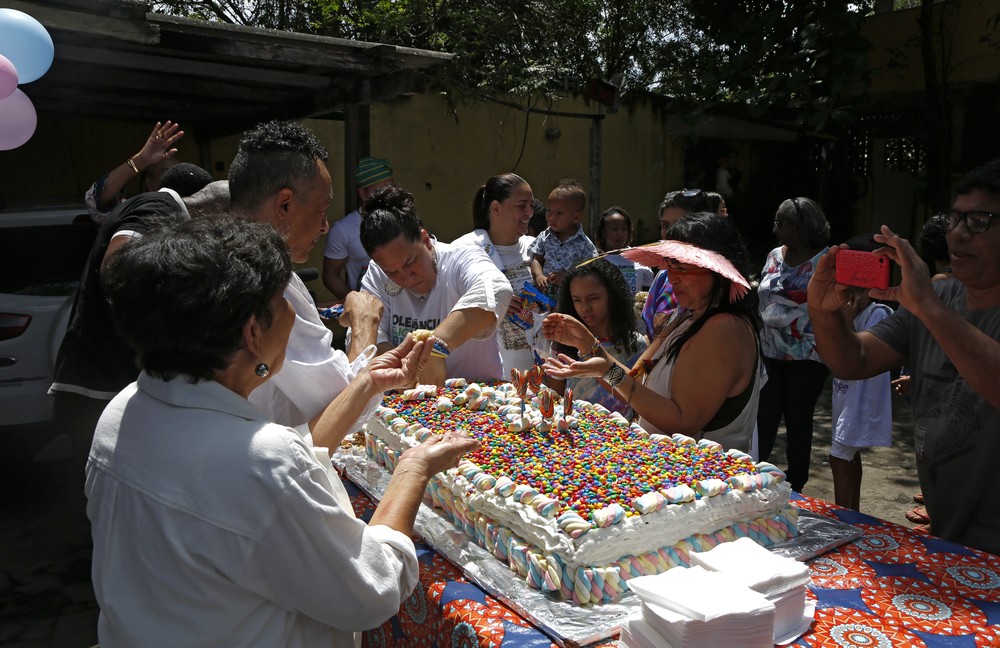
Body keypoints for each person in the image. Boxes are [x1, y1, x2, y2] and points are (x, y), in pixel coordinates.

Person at [90, 216, 479, 646]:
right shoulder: (259, 463)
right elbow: (372, 589)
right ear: (253, 332)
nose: (294, 315)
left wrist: (367, 381)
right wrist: (412, 472)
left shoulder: (122, 412)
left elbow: (289, 458)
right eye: (285, 301)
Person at [809, 158, 1000, 554]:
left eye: (979, 221)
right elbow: (854, 360)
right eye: (954, 219)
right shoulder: (939, 298)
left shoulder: (932, 302)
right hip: (950, 533)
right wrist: (823, 310)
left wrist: (928, 306)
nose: (959, 235)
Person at [49, 167, 224, 472]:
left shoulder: (150, 207)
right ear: (214, 210)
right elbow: (118, 267)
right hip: (102, 378)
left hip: (99, 377)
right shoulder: (157, 207)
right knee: (107, 486)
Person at [543, 212, 762, 453]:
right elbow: (636, 379)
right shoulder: (685, 317)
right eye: (669, 267)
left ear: (716, 271)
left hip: (700, 481)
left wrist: (604, 368)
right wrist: (589, 346)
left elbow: (682, 422)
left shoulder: (723, 330)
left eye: (682, 268)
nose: (672, 278)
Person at [228, 121, 384, 433]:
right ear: (285, 203)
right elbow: (346, 405)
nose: (325, 226)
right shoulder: (270, 285)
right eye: (321, 209)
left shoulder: (210, 263)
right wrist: (364, 325)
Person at [360, 185, 513, 385]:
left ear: (425, 240)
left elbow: (497, 289)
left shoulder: (461, 257)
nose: (406, 278)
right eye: (392, 273)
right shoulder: (377, 272)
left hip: (476, 396)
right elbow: (370, 332)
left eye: (409, 262)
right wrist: (403, 365)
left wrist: (436, 347)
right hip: (408, 401)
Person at [756, 197, 831, 492]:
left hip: (808, 355)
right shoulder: (775, 254)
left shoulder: (825, 260)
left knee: (798, 418)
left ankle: (796, 483)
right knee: (765, 416)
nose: (775, 229)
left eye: (780, 223)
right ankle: (755, 473)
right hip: (770, 351)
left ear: (800, 228)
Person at [452, 173, 537, 375]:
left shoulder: (536, 249)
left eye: (531, 206)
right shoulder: (465, 249)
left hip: (536, 374)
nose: (529, 213)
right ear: (496, 208)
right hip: (488, 376)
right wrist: (494, 304)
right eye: (521, 206)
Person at [546, 259, 648, 418]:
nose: (585, 307)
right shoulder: (564, 343)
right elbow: (555, 397)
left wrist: (601, 367)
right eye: (577, 300)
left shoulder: (635, 344)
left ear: (612, 296)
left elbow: (638, 396)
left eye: (593, 298)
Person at [828, 278, 894, 510]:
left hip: (861, 400)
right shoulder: (843, 311)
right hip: (845, 395)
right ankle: (853, 513)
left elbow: (858, 353)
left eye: (861, 289)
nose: (853, 296)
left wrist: (846, 320)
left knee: (838, 457)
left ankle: (844, 519)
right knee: (849, 454)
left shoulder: (879, 313)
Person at [640, 189, 715, 338]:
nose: (669, 233)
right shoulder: (663, 276)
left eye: (679, 225)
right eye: (665, 225)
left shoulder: (716, 280)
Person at [322, 156, 395, 300]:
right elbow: (330, 276)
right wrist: (356, 301)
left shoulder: (403, 221)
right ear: (363, 193)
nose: (388, 196)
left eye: (391, 190)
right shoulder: (343, 230)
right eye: (380, 191)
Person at [84, 120, 184, 223]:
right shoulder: (134, 213)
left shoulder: (194, 212)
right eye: (166, 172)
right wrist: (140, 161)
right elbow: (98, 200)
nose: (175, 177)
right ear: (150, 183)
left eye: (180, 173)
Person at [529, 178, 598, 300]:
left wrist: (568, 275)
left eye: (559, 213)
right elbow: (536, 259)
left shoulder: (585, 244)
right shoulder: (544, 237)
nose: (551, 217)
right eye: (549, 211)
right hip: (544, 297)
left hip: (570, 299)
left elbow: (590, 270)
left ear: (576, 217)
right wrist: (539, 275)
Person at [593, 205, 654, 295]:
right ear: (603, 232)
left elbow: (647, 295)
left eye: (624, 229)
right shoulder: (594, 259)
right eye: (614, 229)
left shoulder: (639, 258)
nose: (620, 234)